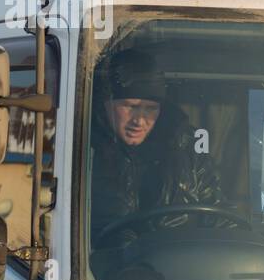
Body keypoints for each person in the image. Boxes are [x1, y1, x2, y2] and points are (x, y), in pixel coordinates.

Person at [89, 48, 225, 243]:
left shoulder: (187, 149)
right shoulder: (79, 147)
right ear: (106, 103)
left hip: (176, 267)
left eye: (151, 109)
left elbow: (220, 218)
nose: (140, 121)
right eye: (131, 106)